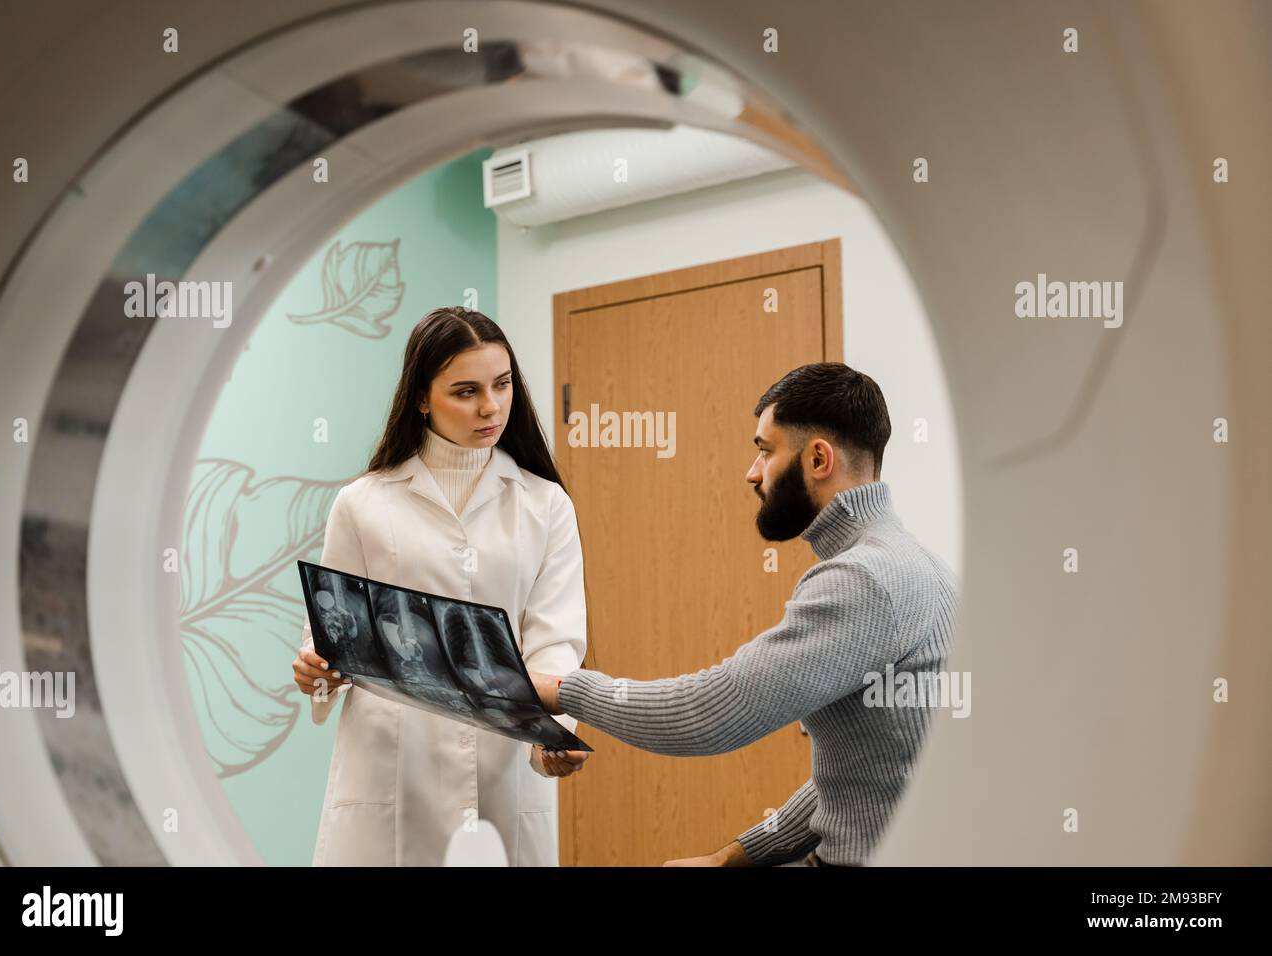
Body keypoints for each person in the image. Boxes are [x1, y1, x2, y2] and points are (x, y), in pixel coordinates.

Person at [529, 362, 958, 867]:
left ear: (818, 458)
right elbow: (859, 776)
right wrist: (734, 857)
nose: (751, 473)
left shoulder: (867, 580)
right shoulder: (917, 563)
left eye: (764, 450)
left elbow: (709, 713)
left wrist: (558, 687)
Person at [291, 306, 590, 866]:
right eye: (465, 391)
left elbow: (556, 639)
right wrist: (316, 667)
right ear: (422, 399)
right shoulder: (363, 502)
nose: (490, 406)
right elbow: (329, 631)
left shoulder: (545, 503)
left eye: (502, 385)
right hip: (390, 768)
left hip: (503, 766)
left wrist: (554, 733)